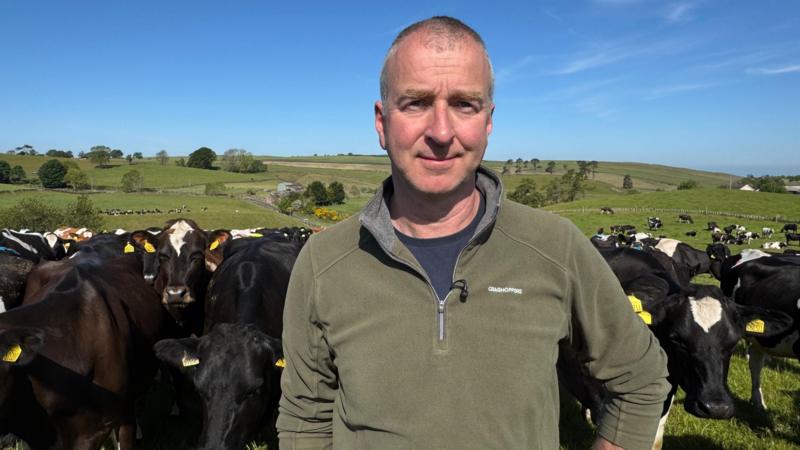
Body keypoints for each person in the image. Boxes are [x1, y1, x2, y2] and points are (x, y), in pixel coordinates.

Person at [277, 16, 669, 450]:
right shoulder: (324, 260)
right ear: (381, 122)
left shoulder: (554, 246)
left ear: (488, 122)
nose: (441, 132)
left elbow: (642, 378)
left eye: (464, 104)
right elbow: (304, 419)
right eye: (416, 103)